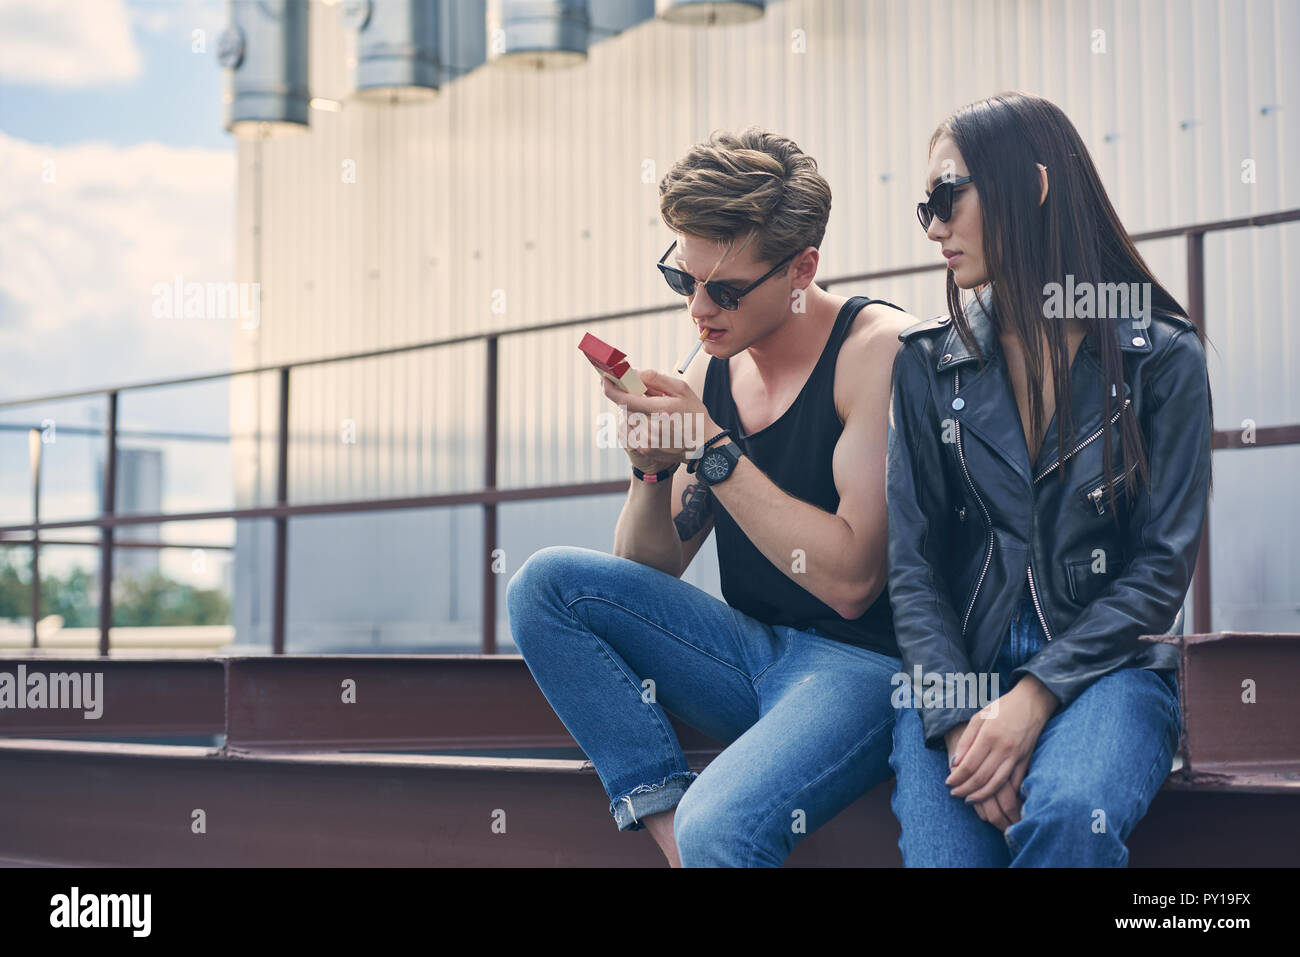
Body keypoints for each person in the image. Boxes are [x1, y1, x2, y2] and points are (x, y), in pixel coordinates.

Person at [507, 127, 917, 866]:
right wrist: (651, 471)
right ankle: (668, 821)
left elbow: (854, 581)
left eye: (724, 290)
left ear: (802, 268)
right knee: (545, 585)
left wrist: (713, 446)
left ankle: (700, 838)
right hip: (749, 652)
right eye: (682, 280)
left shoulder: (877, 351)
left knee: (722, 826)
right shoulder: (714, 370)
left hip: (863, 667)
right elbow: (646, 568)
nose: (698, 308)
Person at [885, 91, 1214, 866]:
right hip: (955, 677)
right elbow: (914, 564)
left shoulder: (1162, 358)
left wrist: (1033, 698)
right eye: (922, 206)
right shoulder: (925, 365)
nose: (933, 225)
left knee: (1067, 817)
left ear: (1032, 188)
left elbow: (1161, 567)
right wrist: (963, 715)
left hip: (1111, 671)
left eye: (946, 197)